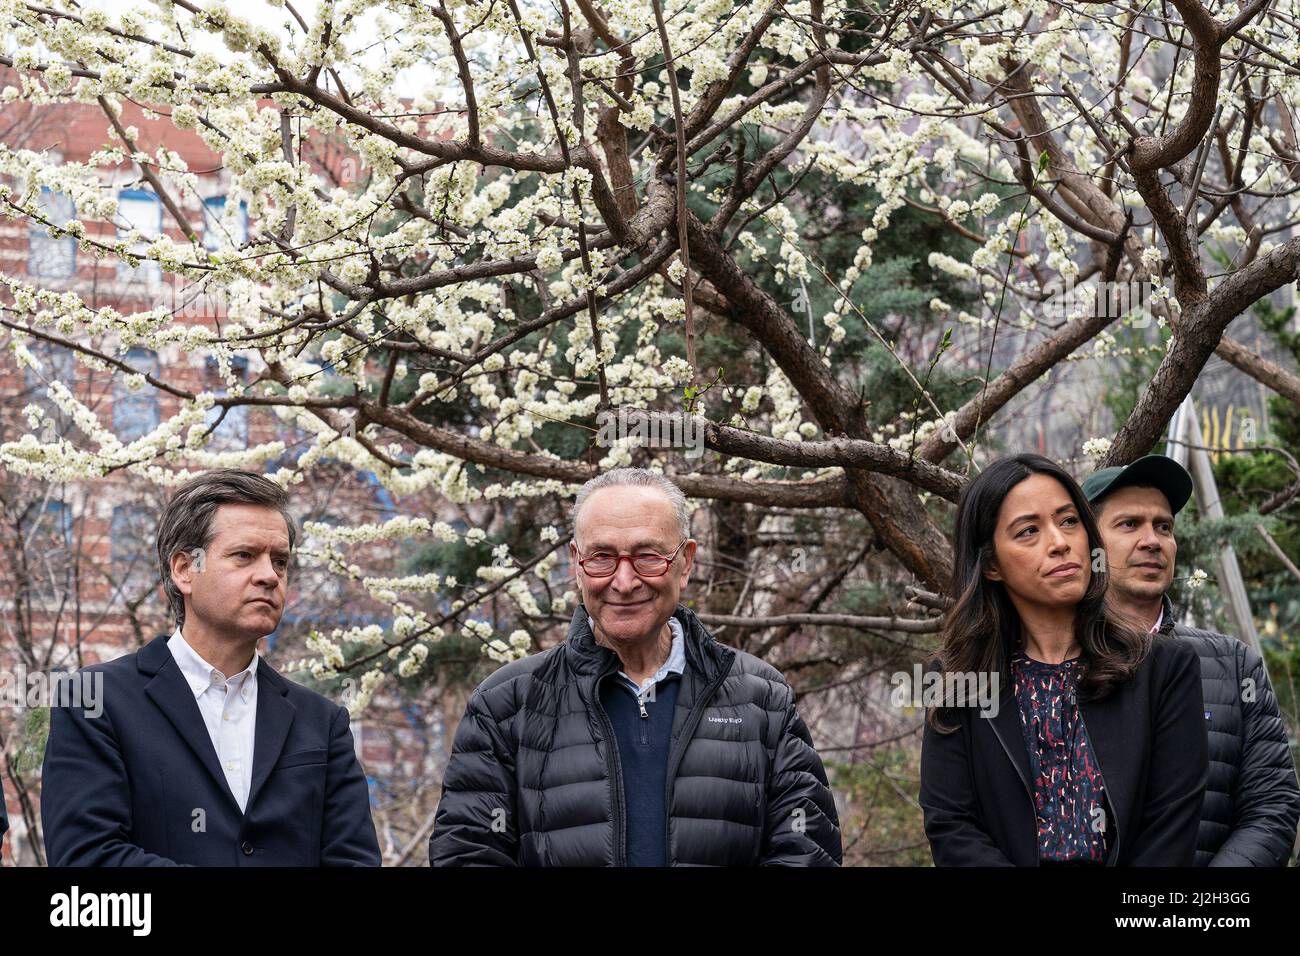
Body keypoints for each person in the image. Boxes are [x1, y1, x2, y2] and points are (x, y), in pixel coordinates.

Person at [429, 467, 841, 866]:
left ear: (686, 562)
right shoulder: (506, 705)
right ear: (575, 563)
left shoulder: (761, 699)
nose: (624, 582)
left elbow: (805, 848)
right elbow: (469, 852)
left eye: (647, 557)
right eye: (602, 557)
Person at [41, 469, 381, 866]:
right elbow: (87, 858)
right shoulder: (95, 700)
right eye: (244, 556)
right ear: (185, 569)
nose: (270, 576)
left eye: (280, 561)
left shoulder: (322, 722)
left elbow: (353, 861)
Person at [920, 453, 1207, 866]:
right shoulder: (957, 680)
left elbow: (1170, 829)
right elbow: (952, 825)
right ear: (991, 564)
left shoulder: (1163, 668)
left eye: (1069, 521)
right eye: (1028, 531)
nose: (1059, 543)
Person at [1084, 454, 1300, 865]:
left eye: (1163, 526)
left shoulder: (1235, 667)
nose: (1152, 540)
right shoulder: (1050, 663)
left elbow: (1272, 808)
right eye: (1129, 524)